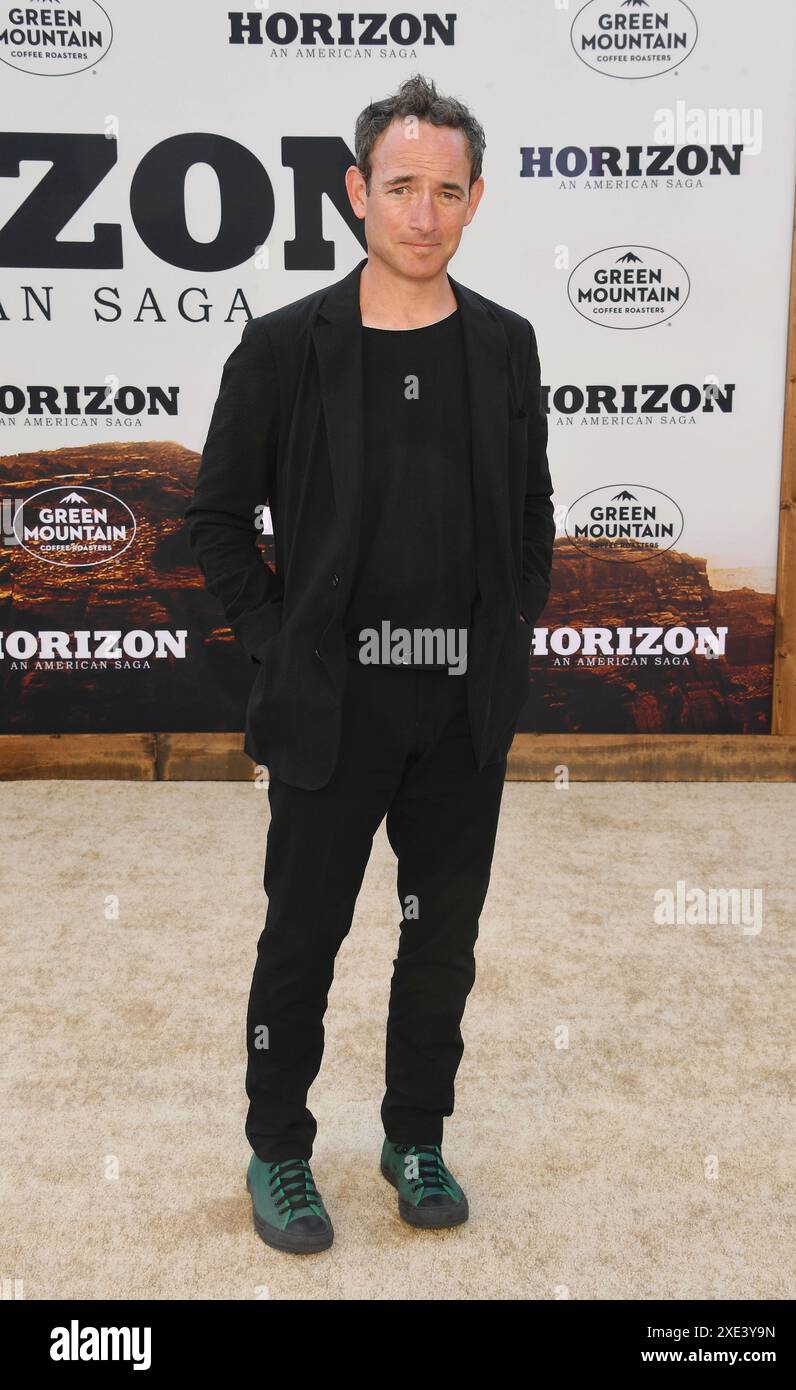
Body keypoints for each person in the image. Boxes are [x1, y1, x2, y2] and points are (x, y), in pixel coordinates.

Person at [184, 73, 555, 1254]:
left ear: (475, 200)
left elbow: (530, 516)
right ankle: (278, 1149)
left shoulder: (505, 347)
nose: (423, 213)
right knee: (303, 934)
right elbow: (215, 518)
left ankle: (413, 1133)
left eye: (448, 190)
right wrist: (278, 642)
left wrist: (502, 643)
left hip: (459, 706)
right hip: (330, 702)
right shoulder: (287, 346)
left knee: (439, 934)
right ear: (356, 192)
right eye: (401, 186)